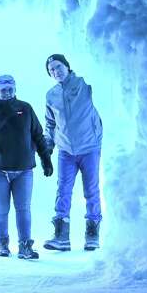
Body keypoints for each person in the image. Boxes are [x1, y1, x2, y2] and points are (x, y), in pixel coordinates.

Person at [0, 74, 53, 259]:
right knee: (1, 209)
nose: (7, 93)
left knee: (23, 208)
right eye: (3, 90)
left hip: (24, 169)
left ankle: (25, 246)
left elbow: (37, 134)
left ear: (15, 89)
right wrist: (3, 114)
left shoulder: (25, 108)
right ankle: (2, 244)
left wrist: (46, 159)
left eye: (10, 89)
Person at [41, 53, 103, 251]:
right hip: (66, 151)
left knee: (91, 190)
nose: (55, 71)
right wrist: (48, 147)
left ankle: (92, 234)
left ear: (67, 66)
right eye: (51, 70)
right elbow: (50, 124)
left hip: (89, 147)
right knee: (63, 191)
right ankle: (61, 237)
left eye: (58, 67)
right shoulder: (51, 95)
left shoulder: (84, 85)